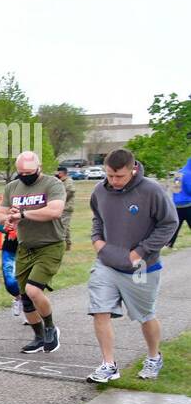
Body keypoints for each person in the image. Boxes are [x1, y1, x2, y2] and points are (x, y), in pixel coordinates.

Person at [84, 149, 179, 383]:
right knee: (99, 310)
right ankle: (108, 365)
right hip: (106, 262)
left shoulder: (151, 190)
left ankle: (154, 357)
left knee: (145, 316)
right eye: (109, 176)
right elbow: (97, 217)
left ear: (133, 169)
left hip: (141, 268)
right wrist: (97, 240)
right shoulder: (100, 191)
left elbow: (169, 224)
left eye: (120, 177)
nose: (114, 181)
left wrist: (141, 251)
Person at [0, 150, 66, 354]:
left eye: (29, 172)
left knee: (34, 290)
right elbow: (0, 214)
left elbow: (55, 211)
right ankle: (38, 336)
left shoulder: (52, 184)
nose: (25, 176)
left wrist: (23, 214)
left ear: (39, 168)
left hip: (50, 244)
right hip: (25, 246)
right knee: (25, 296)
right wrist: (7, 218)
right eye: (21, 172)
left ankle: (51, 329)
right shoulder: (12, 187)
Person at [169, 156, 191, 248]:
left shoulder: (179, 173)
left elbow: (175, 189)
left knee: (175, 227)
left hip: (177, 205)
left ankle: (169, 244)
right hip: (188, 204)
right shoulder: (188, 174)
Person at [54, 164, 77, 251]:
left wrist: (62, 200)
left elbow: (71, 190)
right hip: (62, 208)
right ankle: (68, 245)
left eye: (58, 173)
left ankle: (60, 246)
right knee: (64, 226)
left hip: (67, 208)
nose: (57, 174)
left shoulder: (68, 181)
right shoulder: (61, 181)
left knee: (62, 226)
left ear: (62, 173)